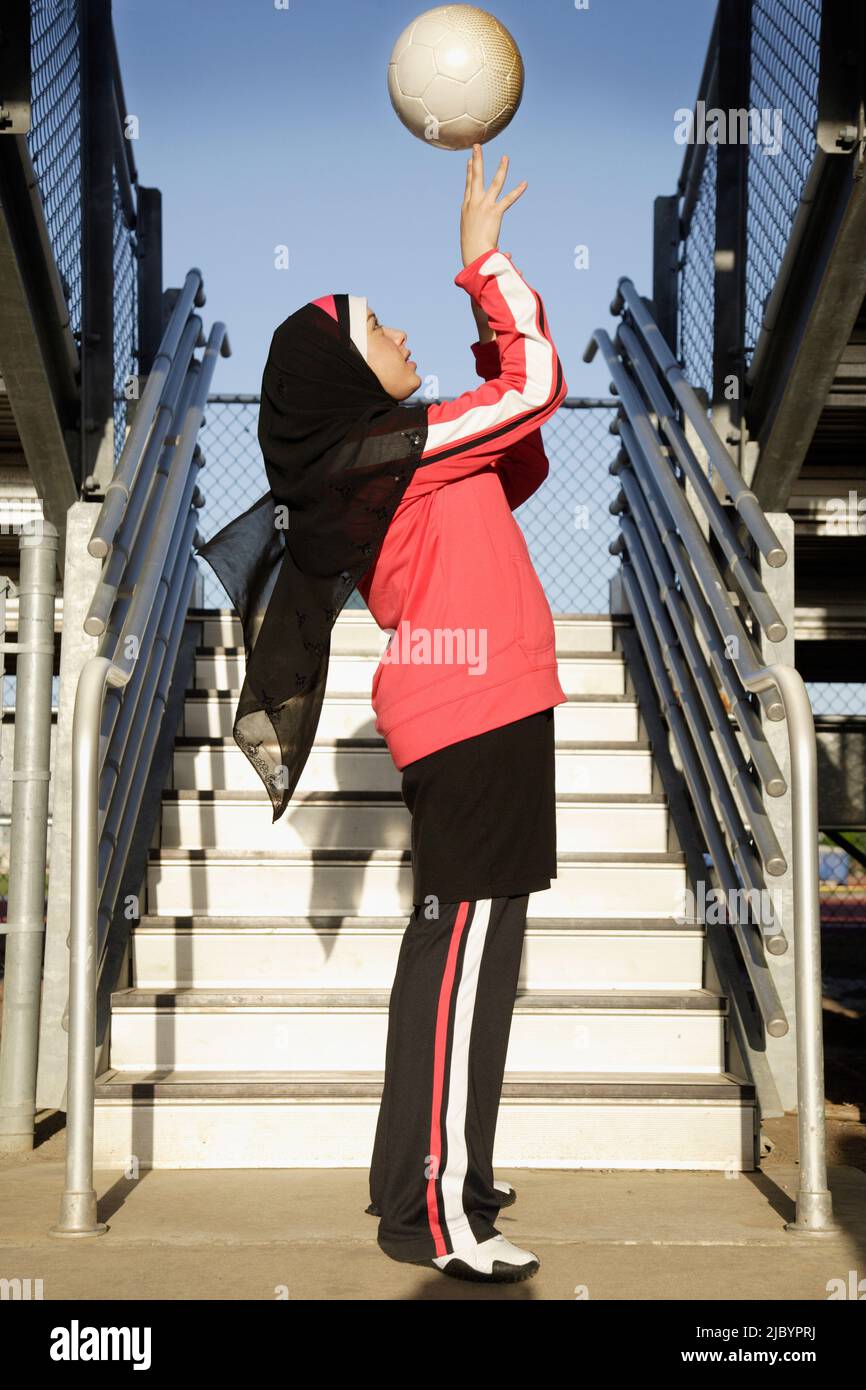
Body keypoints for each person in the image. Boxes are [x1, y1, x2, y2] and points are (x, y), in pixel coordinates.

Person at [355, 145, 569, 1283]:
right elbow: (536, 383)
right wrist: (481, 266)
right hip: (472, 713)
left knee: (468, 963)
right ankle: (431, 1215)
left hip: (489, 705)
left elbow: (517, 444)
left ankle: (439, 1178)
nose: (402, 334)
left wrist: (484, 317)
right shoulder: (393, 450)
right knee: (457, 962)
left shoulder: (434, 460)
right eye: (377, 330)